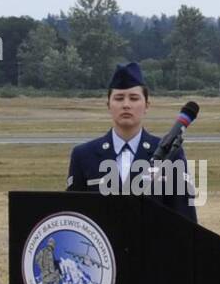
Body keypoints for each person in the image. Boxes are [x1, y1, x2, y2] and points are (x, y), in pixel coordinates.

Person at [66, 61, 197, 222]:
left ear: (146, 105)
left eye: (134, 98)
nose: (126, 105)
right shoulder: (83, 155)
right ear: (108, 105)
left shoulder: (171, 154)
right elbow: (74, 218)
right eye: (119, 98)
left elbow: (185, 220)